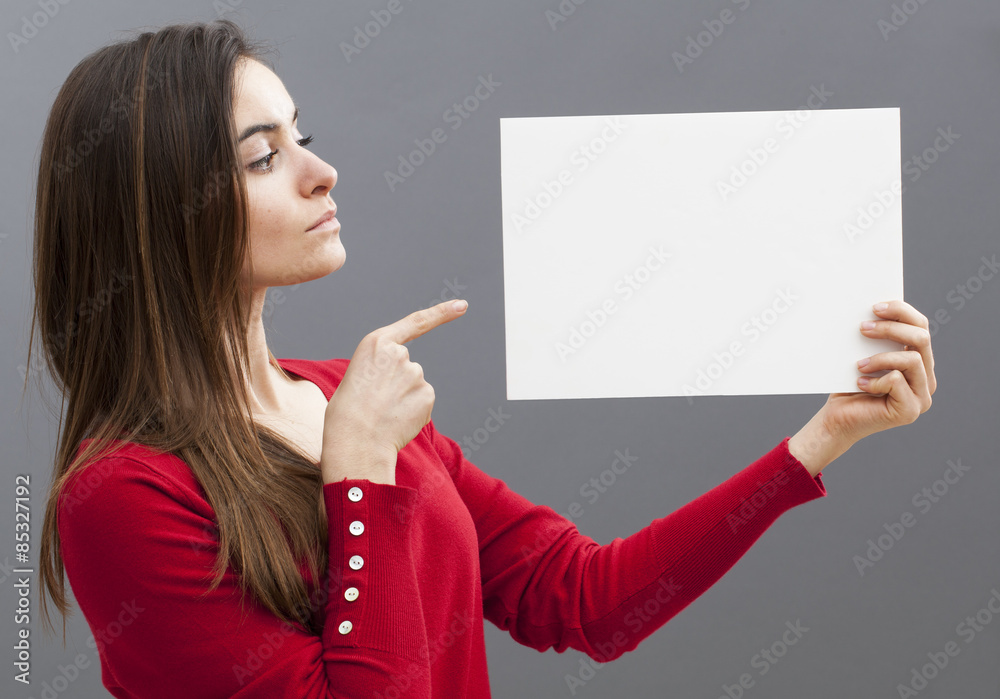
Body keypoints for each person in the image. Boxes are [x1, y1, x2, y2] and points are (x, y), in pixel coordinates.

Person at [31, 19, 936, 699]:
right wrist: (358, 478)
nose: (320, 171)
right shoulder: (122, 495)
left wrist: (822, 439)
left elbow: (586, 599)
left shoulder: (346, 397)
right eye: (264, 156)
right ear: (158, 212)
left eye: (302, 135)